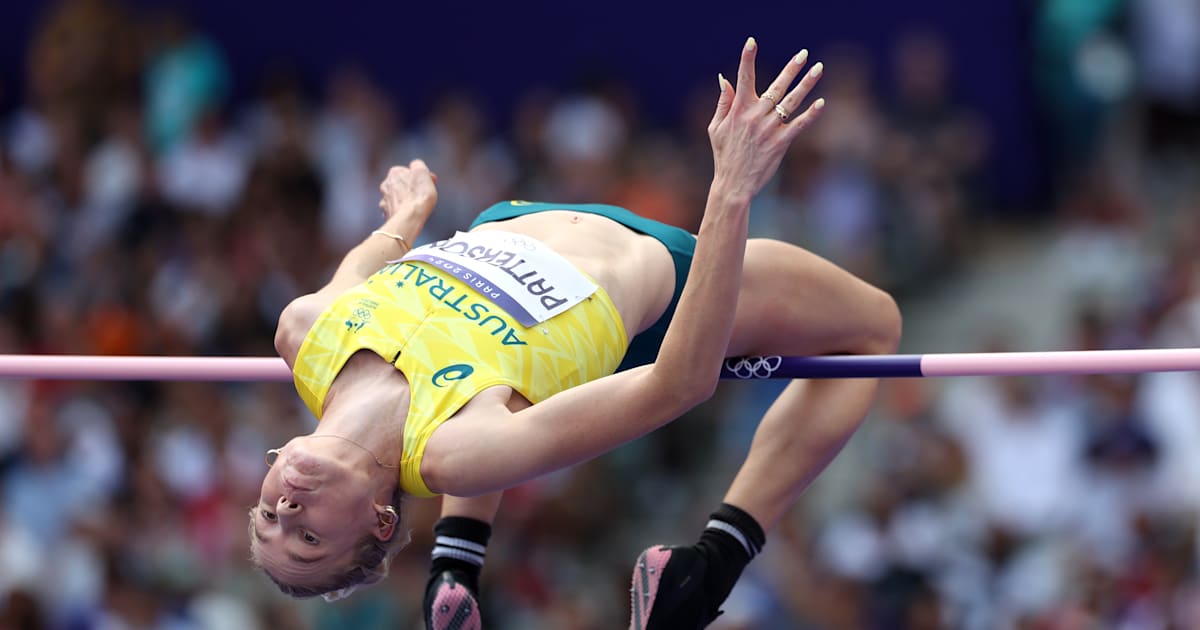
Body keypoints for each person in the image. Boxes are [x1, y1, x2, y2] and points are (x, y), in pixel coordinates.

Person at [250, 38, 901, 629]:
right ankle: (711, 563)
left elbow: (356, 276)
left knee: (485, 391)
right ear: (379, 519)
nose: (289, 512)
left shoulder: (304, 338)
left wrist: (402, 223)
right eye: (308, 539)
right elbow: (681, 383)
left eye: (269, 518)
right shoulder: (455, 453)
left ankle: (456, 567)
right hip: (658, 275)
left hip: (510, 217)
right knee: (871, 332)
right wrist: (730, 191)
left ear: (270, 472)